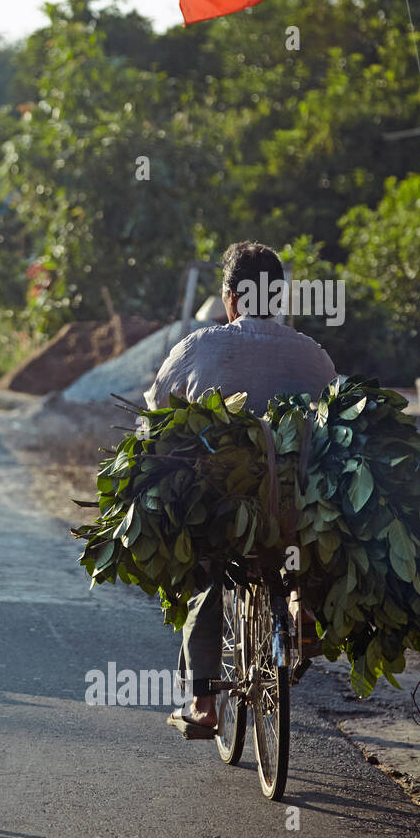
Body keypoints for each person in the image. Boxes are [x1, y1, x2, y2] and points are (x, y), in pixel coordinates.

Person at [144, 241, 337, 738]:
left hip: (229, 509)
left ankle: (204, 703)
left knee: (209, 569)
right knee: (299, 555)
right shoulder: (313, 357)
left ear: (231, 298)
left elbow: (157, 405)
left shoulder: (202, 346)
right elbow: (338, 423)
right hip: (299, 508)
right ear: (279, 298)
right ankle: (301, 603)